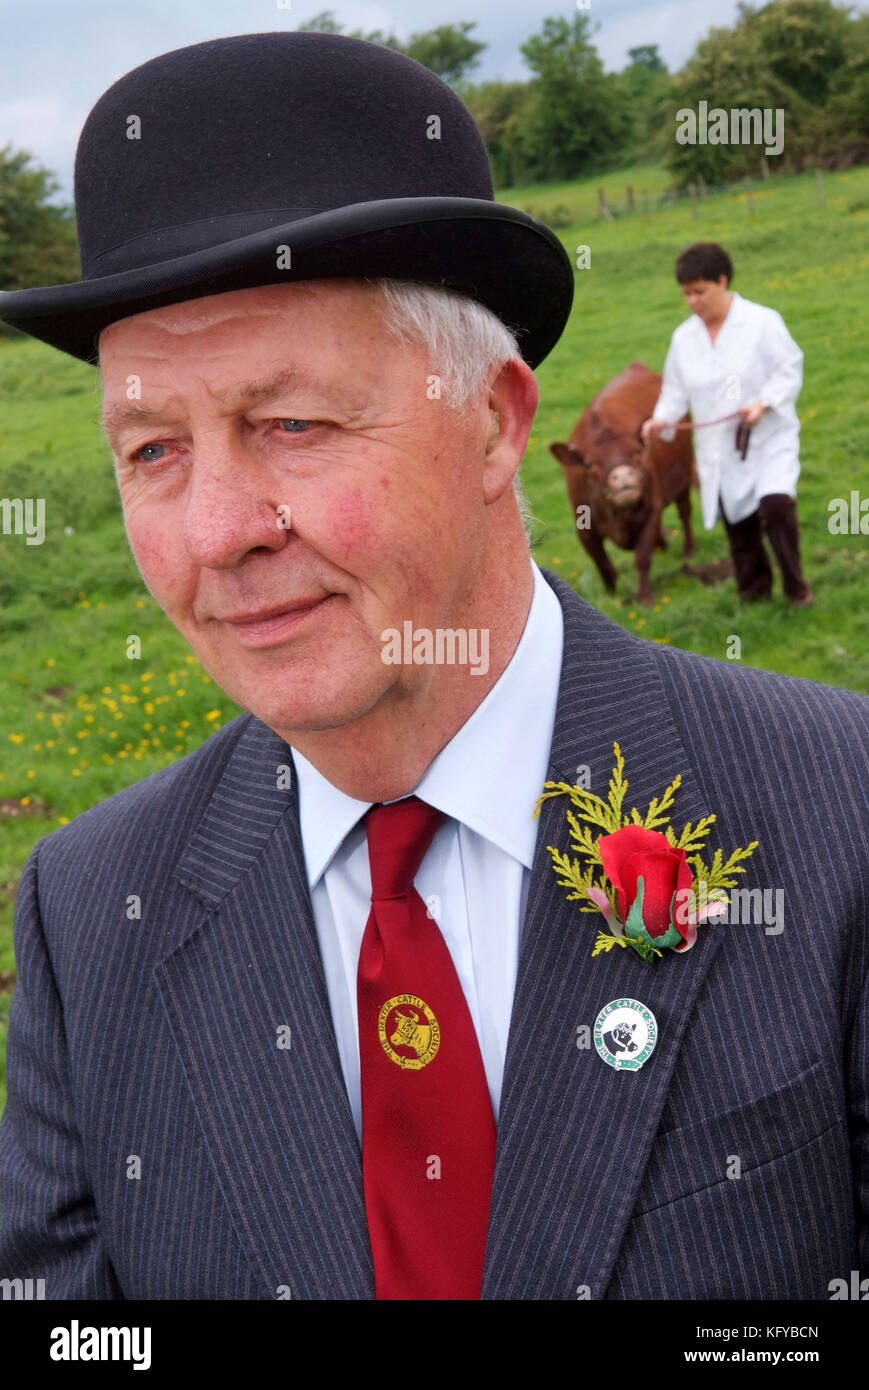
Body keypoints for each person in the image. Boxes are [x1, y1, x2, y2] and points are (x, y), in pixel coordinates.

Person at [0, 32, 866, 1303]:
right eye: (152, 450)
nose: (214, 533)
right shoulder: (88, 914)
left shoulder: (838, 812)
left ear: (494, 423)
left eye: (290, 422)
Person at [641, 241, 813, 604]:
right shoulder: (684, 338)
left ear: (723, 281)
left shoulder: (762, 322)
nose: (692, 301)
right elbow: (675, 391)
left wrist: (763, 403)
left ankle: (796, 586)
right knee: (738, 521)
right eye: (686, 294)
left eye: (700, 292)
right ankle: (755, 594)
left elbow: (788, 369)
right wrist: (660, 421)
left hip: (767, 438)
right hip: (718, 447)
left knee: (776, 505)